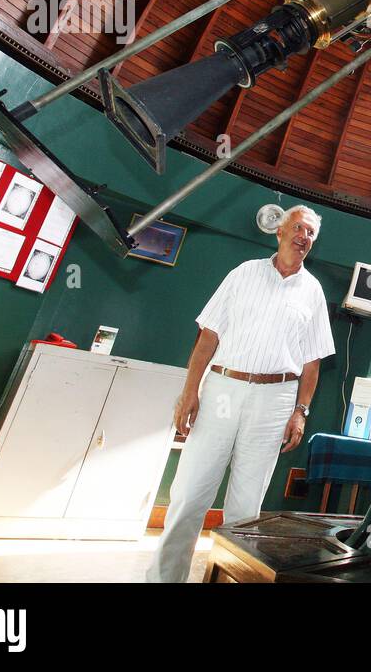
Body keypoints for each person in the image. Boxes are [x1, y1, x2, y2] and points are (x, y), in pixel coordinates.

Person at [146, 205, 335, 582]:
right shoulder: (243, 273)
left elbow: (312, 364)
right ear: (279, 231)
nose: (305, 236)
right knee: (189, 496)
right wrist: (189, 393)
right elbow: (208, 337)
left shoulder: (313, 292)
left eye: (311, 233)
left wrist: (301, 411)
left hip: (276, 398)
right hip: (222, 387)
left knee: (246, 509)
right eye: (298, 227)